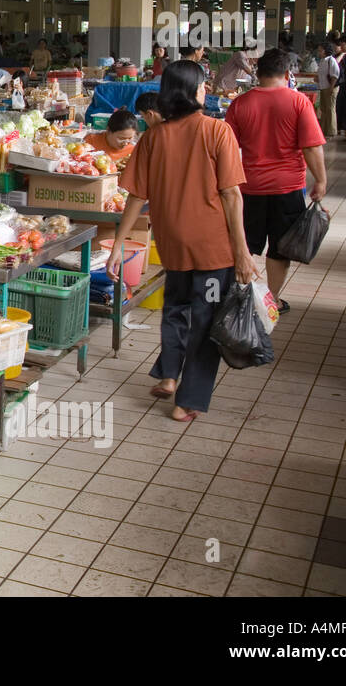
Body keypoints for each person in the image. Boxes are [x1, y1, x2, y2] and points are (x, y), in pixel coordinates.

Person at [107, 61, 254, 423]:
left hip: (172, 245)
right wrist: (242, 252)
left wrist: (117, 246)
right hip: (211, 248)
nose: (206, 91)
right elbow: (232, 195)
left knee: (175, 310)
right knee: (206, 321)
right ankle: (186, 401)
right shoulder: (217, 131)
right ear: (192, 91)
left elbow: (135, 197)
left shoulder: (154, 137)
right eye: (203, 85)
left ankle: (170, 375)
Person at [224, 49, 328, 314]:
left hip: (248, 187)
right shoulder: (299, 102)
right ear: (286, 73)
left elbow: (226, 148)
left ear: (257, 74)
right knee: (280, 247)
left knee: (245, 243)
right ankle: (272, 300)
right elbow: (312, 147)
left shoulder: (240, 104)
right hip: (288, 187)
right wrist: (321, 181)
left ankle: (242, 296)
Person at [315, 42, 341, 137]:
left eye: (320, 50)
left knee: (330, 109)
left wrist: (331, 87)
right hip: (323, 87)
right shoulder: (322, 61)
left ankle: (331, 130)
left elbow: (335, 75)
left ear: (325, 51)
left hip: (330, 88)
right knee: (324, 109)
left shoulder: (331, 60)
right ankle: (324, 129)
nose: (319, 52)